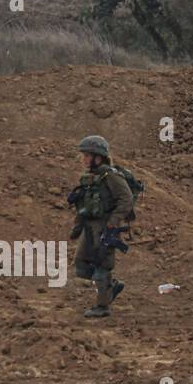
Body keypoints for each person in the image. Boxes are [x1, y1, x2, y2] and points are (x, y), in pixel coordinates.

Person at [68, 135, 134, 318]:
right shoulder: (91, 178)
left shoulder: (111, 176)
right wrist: (77, 226)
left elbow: (126, 199)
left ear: (98, 157)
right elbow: (83, 205)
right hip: (89, 226)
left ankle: (102, 305)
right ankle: (110, 286)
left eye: (87, 155)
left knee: (102, 265)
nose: (84, 159)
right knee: (81, 265)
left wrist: (114, 222)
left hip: (105, 227)